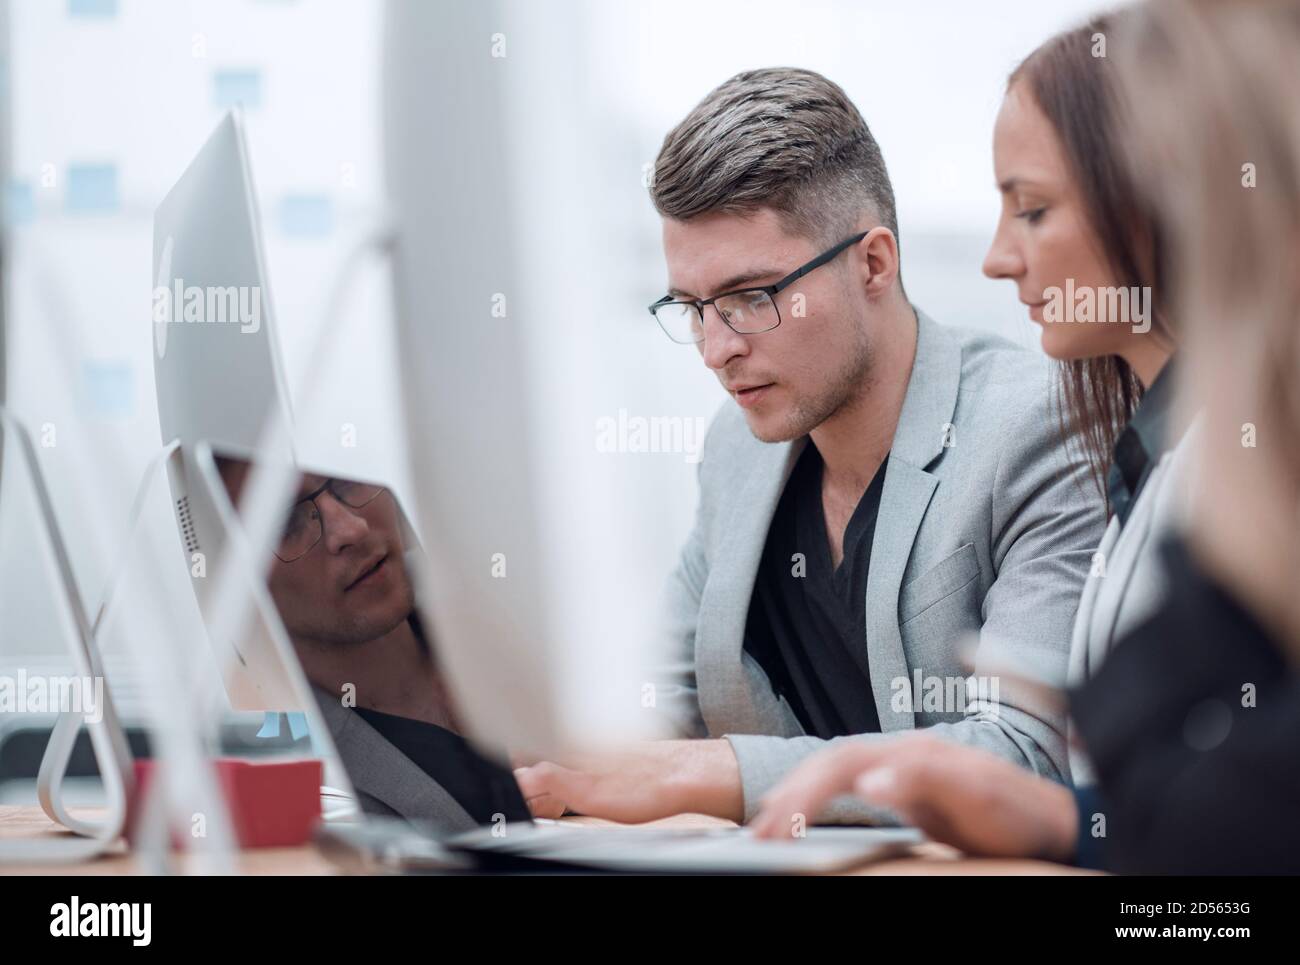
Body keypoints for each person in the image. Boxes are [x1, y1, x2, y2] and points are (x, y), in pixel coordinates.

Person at [753, 0, 1300, 874]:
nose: (998, 259)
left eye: (1034, 210)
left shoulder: (1226, 473)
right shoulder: (1147, 460)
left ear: (1166, 200)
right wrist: (1058, 822)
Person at [514, 67, 1107, 825]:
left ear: (873, 263)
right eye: (694, 308)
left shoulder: (1038, 429)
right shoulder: (740, 448)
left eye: (751, 299)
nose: (715, 350)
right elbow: (662, 699)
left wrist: (725, 772)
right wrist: (556, 751)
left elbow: (1029, 755)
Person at [216, 457, 530, 831]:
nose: (352, 529)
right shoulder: (293, 776)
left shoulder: (508, 604)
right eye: (287, 522)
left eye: (347, 480)